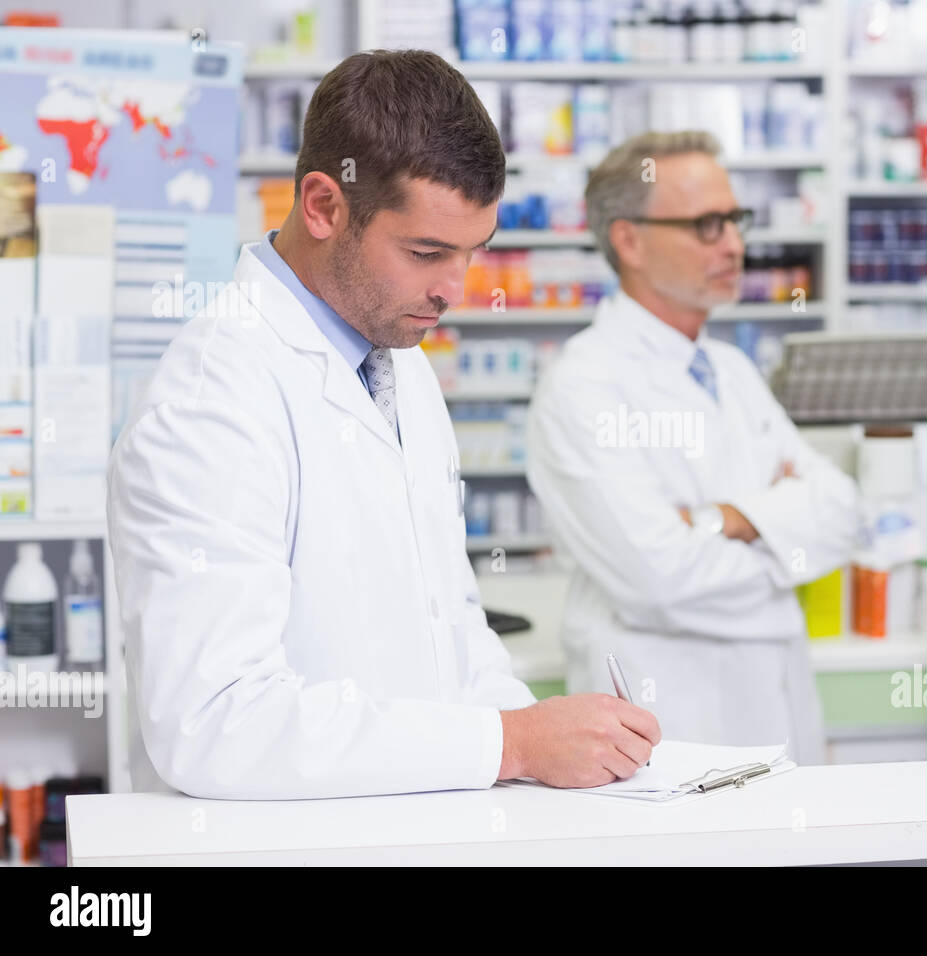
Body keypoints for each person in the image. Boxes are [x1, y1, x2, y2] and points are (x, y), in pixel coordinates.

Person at [107, 50, 660, 800]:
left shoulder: (401, 363)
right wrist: (512, 743)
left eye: (473, 253)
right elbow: (214, 723)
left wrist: (544, 755)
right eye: (427, 252)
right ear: (324, 206)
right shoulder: (212, 398)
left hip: (425, 828)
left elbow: (454, 624)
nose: (454, 290)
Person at [525, 131, 859, 765]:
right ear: (629, 240)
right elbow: (661, 578)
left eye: (735, 220)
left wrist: (726, 522)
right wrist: (786, 548)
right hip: (669, 738)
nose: (734, 244)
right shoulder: (582, 384)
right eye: (708, 225)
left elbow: (842, 510)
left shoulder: (732, 369)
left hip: (777, 720)